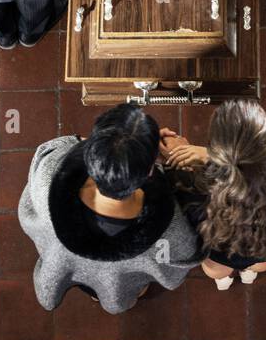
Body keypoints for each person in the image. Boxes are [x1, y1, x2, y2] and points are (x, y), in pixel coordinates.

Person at [18, 104, 201, 314]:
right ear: (151, 170)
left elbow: (55, 150)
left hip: (63, 261)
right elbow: (179, 263)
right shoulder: (170, 227)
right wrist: (154, 155)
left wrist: (125, 149)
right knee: (122, 287)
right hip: (120, 281)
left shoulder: (49, 174)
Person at [160, 100, 266, 291]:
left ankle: (223, 281)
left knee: (216, 271)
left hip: (221, 256)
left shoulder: (194, 194)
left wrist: (183, 157)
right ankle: (250, 273)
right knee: (262, 264)